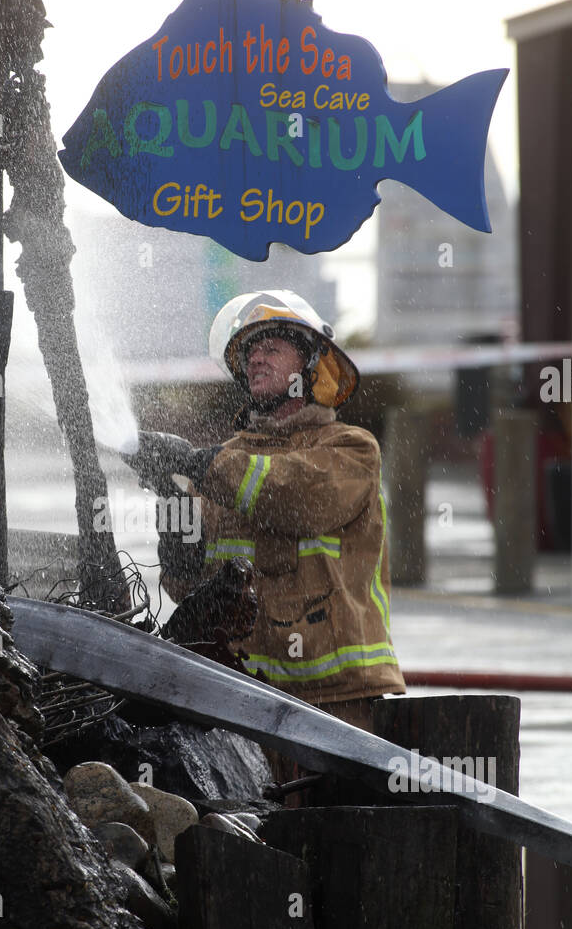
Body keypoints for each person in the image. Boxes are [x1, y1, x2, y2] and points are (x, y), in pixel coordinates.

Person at [125, 290, 405, 745]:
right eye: (250, 352)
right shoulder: (222, 466)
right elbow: (189, 592)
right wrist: (170, 505)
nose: (256, 358)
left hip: (337, 701)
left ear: (311, 366)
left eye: (272, 348)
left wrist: (196, 463)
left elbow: (293, 495)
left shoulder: (350, 449)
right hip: (240, 699)